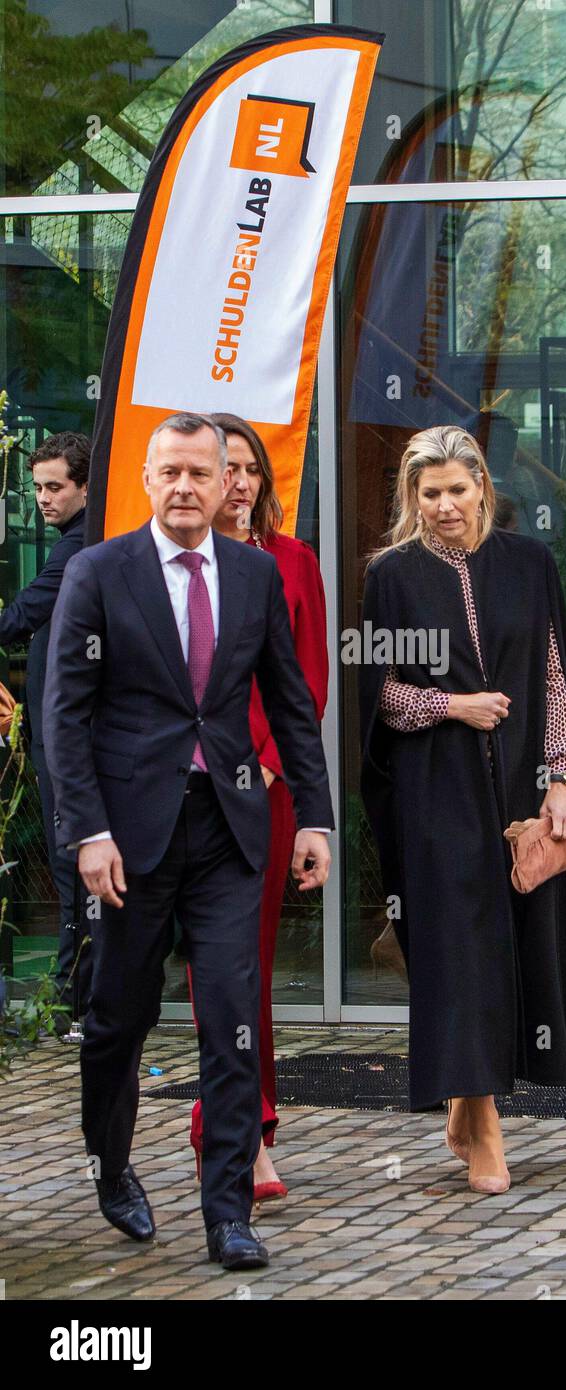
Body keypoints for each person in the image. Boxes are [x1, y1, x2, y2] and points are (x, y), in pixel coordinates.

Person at [43, 413, 334, 1270]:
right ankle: (111, 1162)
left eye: (201, 475)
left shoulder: (252, 574)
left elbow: (288, 704)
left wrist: (312, 817)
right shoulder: (100, 573)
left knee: (234, 1019)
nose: (185, 488)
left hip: (230, 832)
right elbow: (65, 716)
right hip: (129, 841)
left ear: (224, 485)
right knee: (117, 1019)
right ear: (146, 478)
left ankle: (227, 1208)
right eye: (169, 472)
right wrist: (86, 832)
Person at [358, 425, 566, 1195]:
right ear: (413, 497)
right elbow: (377, 695)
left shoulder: (529, 563)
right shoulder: (393, 575)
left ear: (483, 485)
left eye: (457, 489)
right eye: (429, 493)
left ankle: (468, 1105)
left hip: (519, 787)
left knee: (513, 943)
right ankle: (485, 1130)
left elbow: (552, 680)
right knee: (458, 952)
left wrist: (562, 778)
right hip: (434, 789)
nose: (445, 506)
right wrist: (454, 704)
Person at [187, 412, 329, 1201]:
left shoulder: (292, 561)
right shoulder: (171, 566)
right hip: (180, 790)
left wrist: (276, 771)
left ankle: (252, 1129)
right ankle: (225, 1125)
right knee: (212, 973)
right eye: (223, 468)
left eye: (248, 470)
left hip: (262, 793)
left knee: (250, 970)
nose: (236, 484)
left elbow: (307, 683)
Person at [0, 432, 90, 1024]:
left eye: (55, 486)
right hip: (60, 730)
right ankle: (73, 993)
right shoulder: (74, 543)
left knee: (72, 861)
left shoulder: (77, 548)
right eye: (36, 487)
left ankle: (71, 996)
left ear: (85, 486)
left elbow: (26, 614)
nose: (43, 498)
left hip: (70, 735)